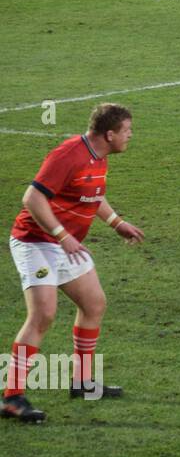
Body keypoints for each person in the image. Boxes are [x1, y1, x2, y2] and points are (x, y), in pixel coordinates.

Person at [4, 104, 143, 423]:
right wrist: (62, 234)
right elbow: (32, 198)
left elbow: (91, 195)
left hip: (64, 245)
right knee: (43, 314)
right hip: (35, 241)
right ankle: (11, 397)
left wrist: (116, 222)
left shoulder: (98, 157)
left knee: (93, 304)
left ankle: (81, 382)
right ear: (109, 134)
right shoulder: (68, 154)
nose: (130, 136)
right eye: (127, 130)